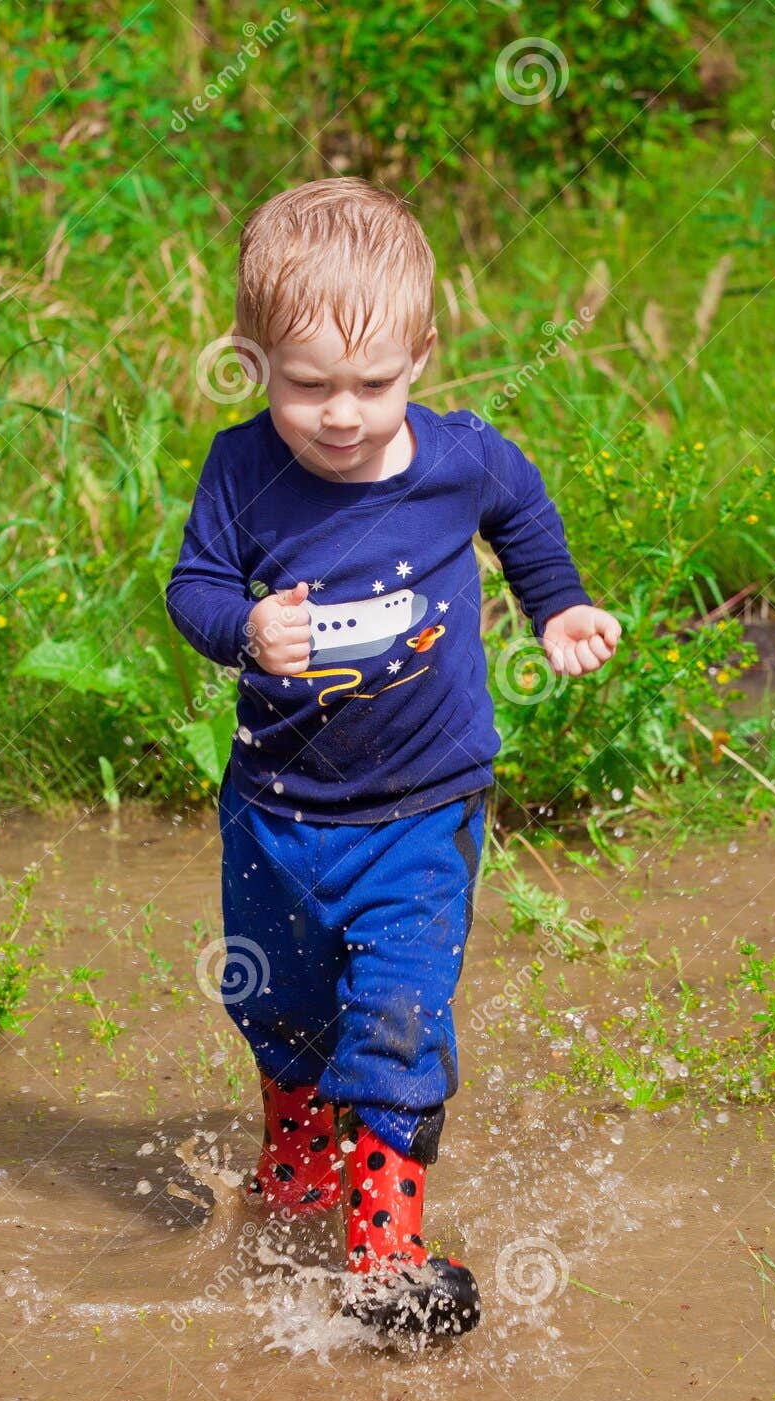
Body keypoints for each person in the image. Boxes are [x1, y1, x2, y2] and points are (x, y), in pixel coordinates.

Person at [165, 176, 620, 1338]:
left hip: (421, 810)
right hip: (274, 806)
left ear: (423, 351)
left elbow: (519, 514)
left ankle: (383, 1248)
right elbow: (195, 587)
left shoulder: (459, 460)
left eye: (372, 384)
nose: (339, 413)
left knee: (398, 1013)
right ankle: (296, 1161)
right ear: (254, 358)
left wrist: (556, 606)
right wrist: (240, 627)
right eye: (305, 383)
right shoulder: (240, 470)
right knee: (277, 1002)